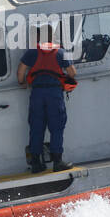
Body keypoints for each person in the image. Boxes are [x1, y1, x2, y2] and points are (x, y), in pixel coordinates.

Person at [17, 27, 78, 173]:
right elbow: (72, 73)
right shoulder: (61, 52)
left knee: (36, 128)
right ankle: (57, 162)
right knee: (56, 127)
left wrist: (22, 83)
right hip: (54, 94)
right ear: (52, 37)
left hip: (37, 93)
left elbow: (20, 72)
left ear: (39, 37)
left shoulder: (32, 52)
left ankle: (36, 164)